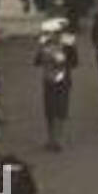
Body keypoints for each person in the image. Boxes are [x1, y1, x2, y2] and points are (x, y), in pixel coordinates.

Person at [34, 18, 77, 151]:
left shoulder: (68, 44)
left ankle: (58, 138)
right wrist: (42, 49)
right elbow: (36, 61)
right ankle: (51, 138)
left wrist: (66, 53)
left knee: (61, 108)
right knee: (50, 109)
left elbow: (74, 62)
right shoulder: (45, 44)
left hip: (63, 80)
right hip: (48, 80)